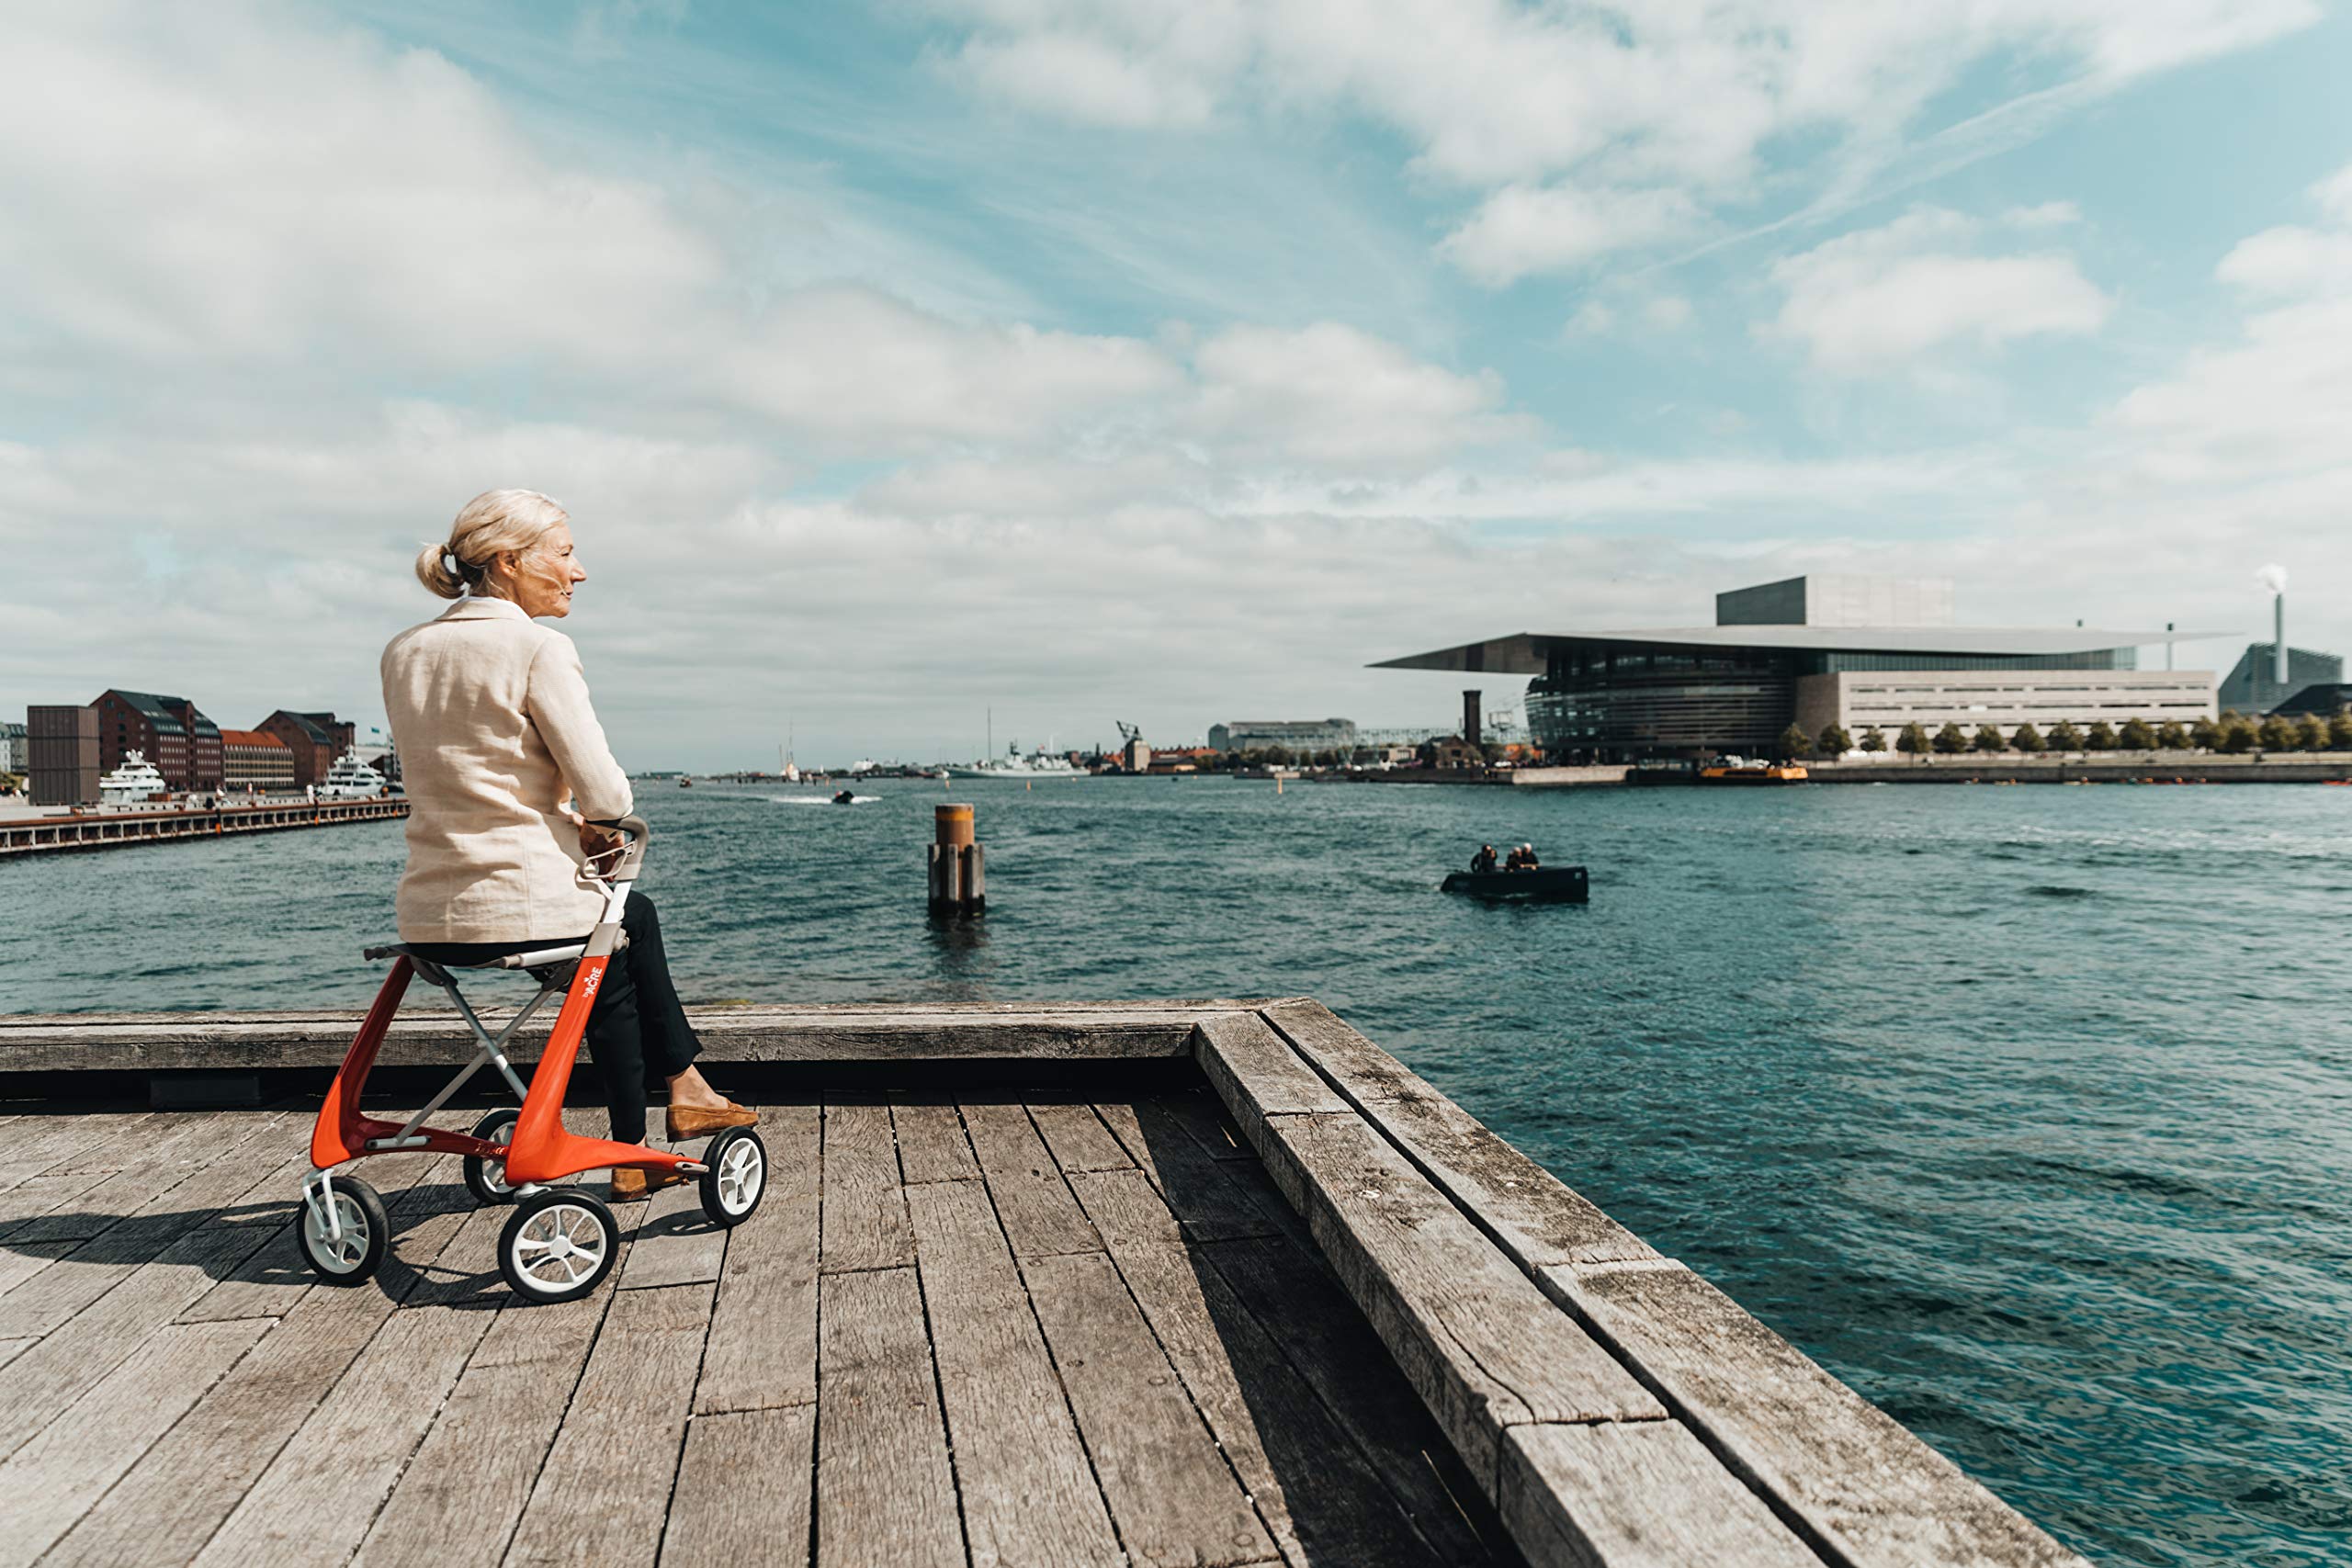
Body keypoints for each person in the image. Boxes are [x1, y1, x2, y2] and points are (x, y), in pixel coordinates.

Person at [383, 489, 754, 1202]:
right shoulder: (537, 648)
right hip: (520, 907)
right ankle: (654, 1120)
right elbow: (610, 795)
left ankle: (674, 1104)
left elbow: (468, 772)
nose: (578, 571)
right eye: (565, 552)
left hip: (430, 917)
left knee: (613, 948)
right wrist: (591, 821)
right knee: (626, 922)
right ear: (511, 560)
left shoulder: (404, 651)